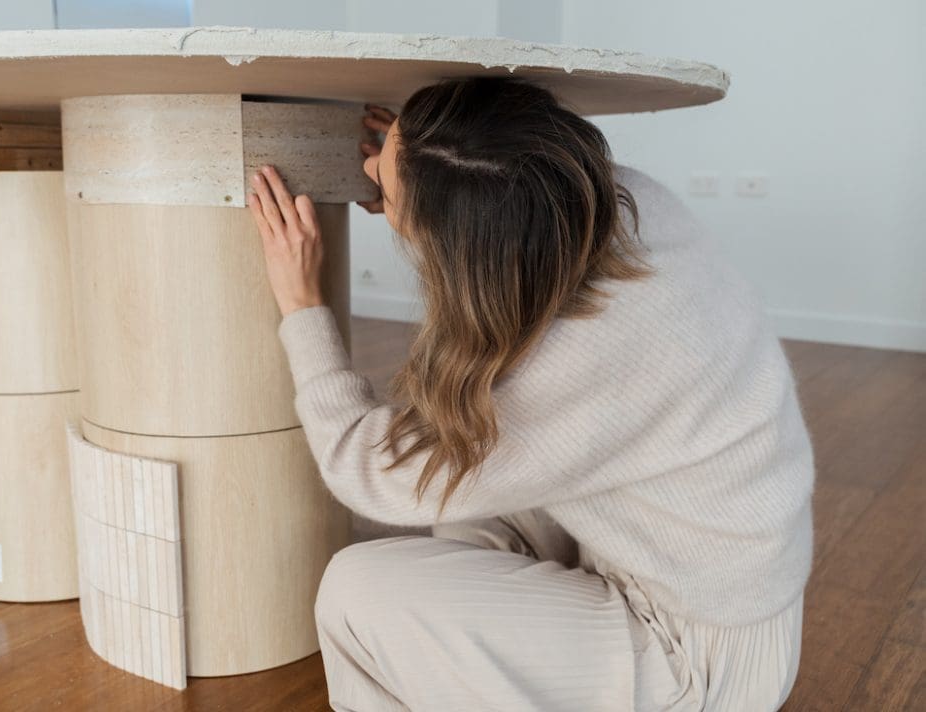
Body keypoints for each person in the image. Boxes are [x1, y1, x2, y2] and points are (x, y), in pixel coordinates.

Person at [246, 76, 813, 712]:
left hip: (698, 663)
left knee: (354, 590)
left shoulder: (567, 371)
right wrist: (431, 173)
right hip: (709, 583)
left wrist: (302, 305)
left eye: (384, 177)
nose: (370, 168)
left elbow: (367, 469)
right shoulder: (626, 200)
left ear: (467, 246)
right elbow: (498, 200)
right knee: (462, 501)